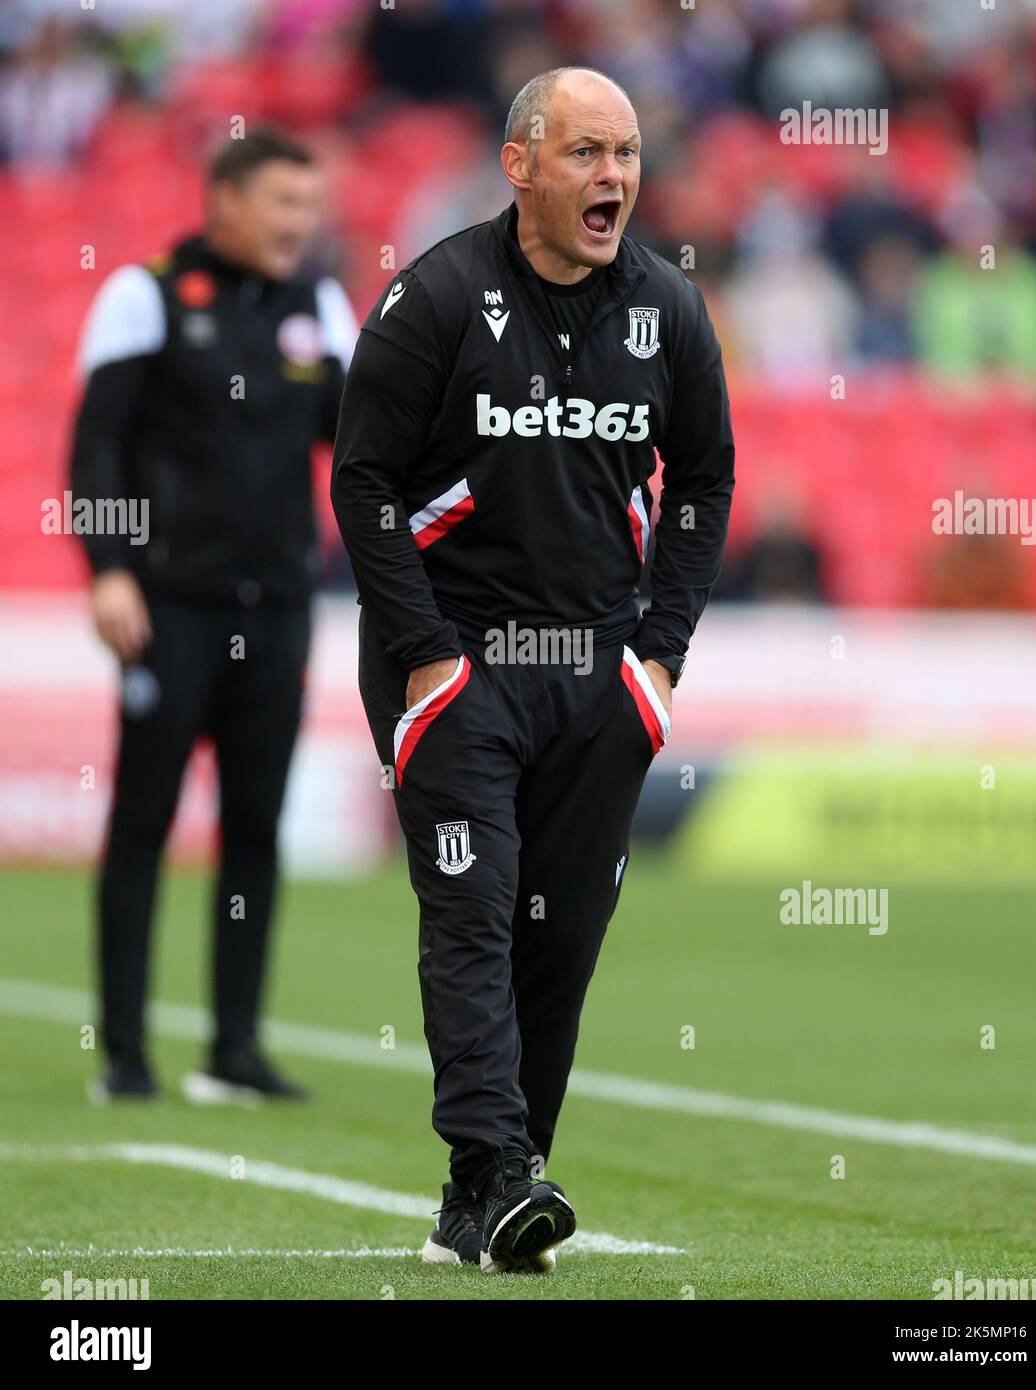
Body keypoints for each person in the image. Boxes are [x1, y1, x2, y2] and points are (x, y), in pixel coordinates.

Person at [331, 67, 735, 1273]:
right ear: (520, 166)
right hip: (459, 667)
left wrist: (658, 659)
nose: (613, 177)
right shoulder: (435, 298)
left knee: (558, 939)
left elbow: (706, 483)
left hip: (599, 678)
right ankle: (505, 1170)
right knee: (473, 918)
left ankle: (486, 1192)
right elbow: (363, 483)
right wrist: (425, 658)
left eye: (626, 155)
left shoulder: (672, 307)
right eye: (586, 154)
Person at [71, 129, 358, 1105]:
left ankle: (234, 1049)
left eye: (309, 209)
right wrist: (109, 569)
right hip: (169, 607)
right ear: (224, 200)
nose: (299, 226)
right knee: (143, 820)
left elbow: (363, 440)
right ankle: (124, 1052)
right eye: (283, 204)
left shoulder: (318, 306)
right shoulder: (145, 294)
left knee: (255, 827)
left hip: (278, 608)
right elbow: (96, 446)